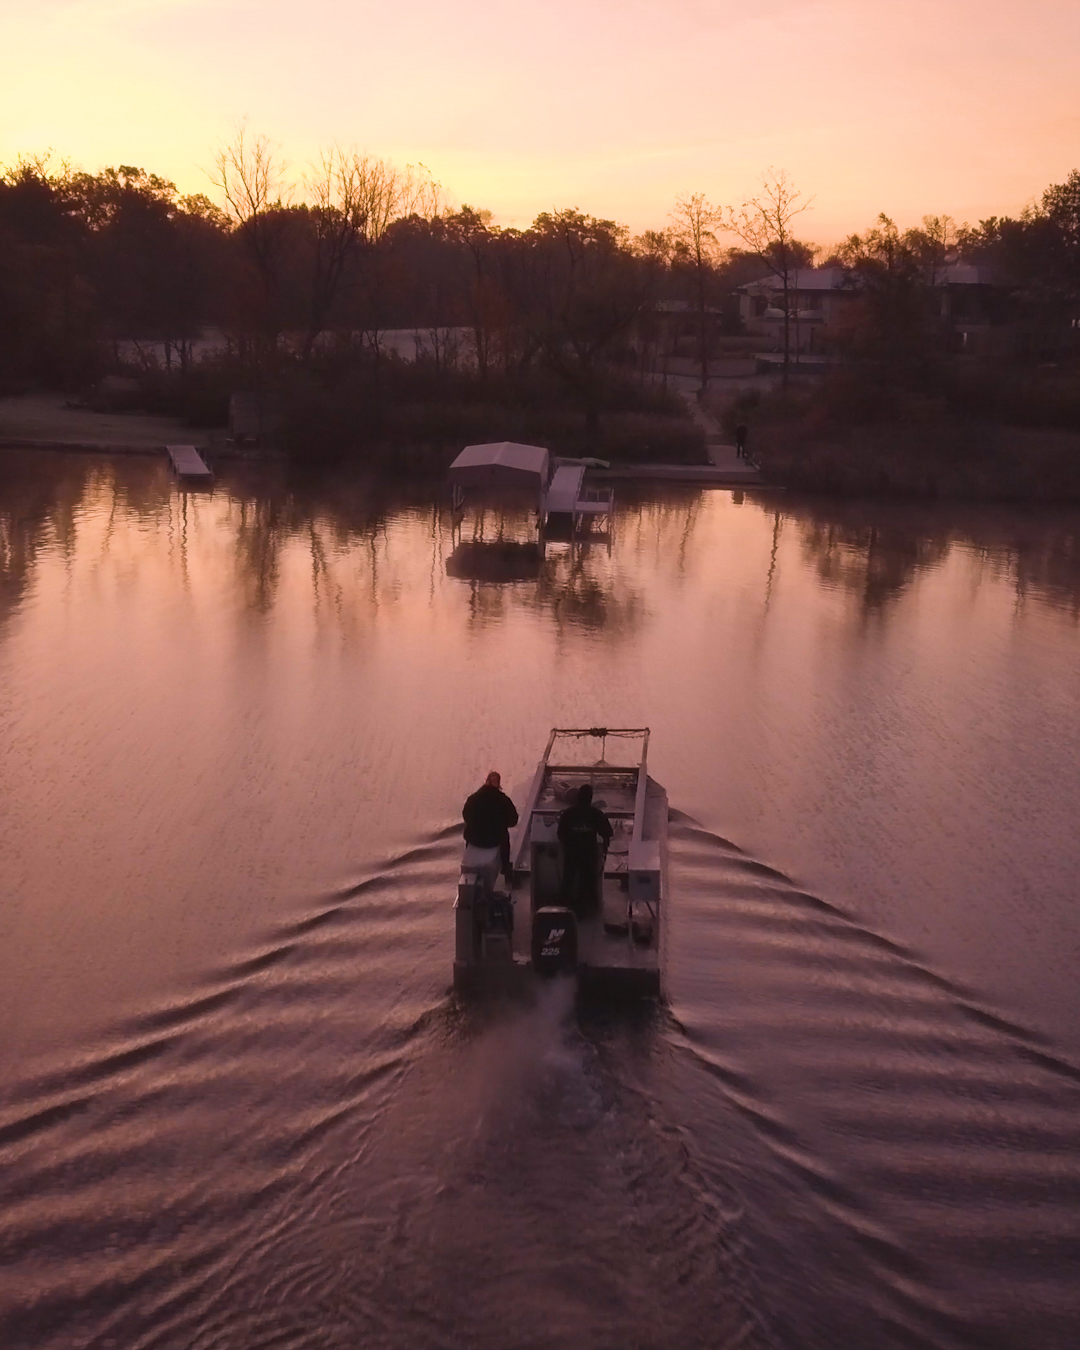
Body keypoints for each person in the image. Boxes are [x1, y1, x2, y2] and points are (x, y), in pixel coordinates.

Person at [557, 784, 613, 916]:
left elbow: (560, 834)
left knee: (568, 879)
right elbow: (607, 832)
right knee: (586, 880)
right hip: (588, 853)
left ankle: (564, 907)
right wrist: (605, 847)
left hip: (571, 852)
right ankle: (583, 909)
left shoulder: (568, 814)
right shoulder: (596, 814)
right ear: (590, 798)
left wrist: (568, 844)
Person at [462, 771, 519, 883]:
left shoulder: (473, 799)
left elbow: (466, 816)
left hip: (474, 840)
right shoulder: (503, 800)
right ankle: (505, 867)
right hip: (494, 840)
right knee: (504, 836)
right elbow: (513, 820)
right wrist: (501, 824)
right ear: (498, 784)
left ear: (486, 781)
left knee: (470, 830)